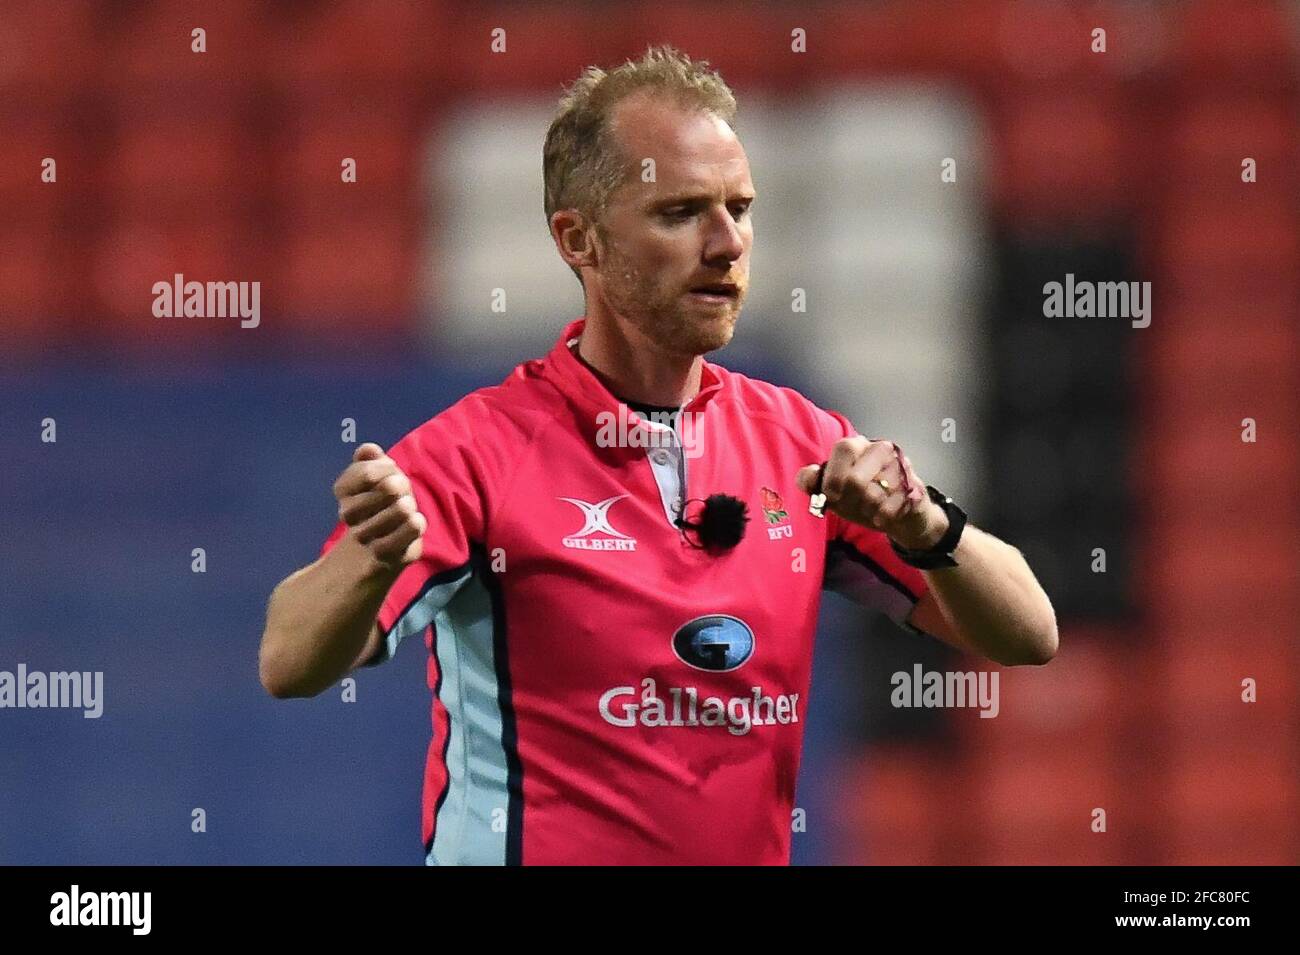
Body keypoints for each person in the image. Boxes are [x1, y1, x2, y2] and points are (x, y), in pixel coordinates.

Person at [258, 45, 1057, 865]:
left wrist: (927, 523)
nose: (726, 243)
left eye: (739, 209)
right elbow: (289, 660)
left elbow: (1030, 633)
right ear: (580, 239)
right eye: (680, 213)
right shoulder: (478, 451)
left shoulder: (800, 442)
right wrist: (368, 559)